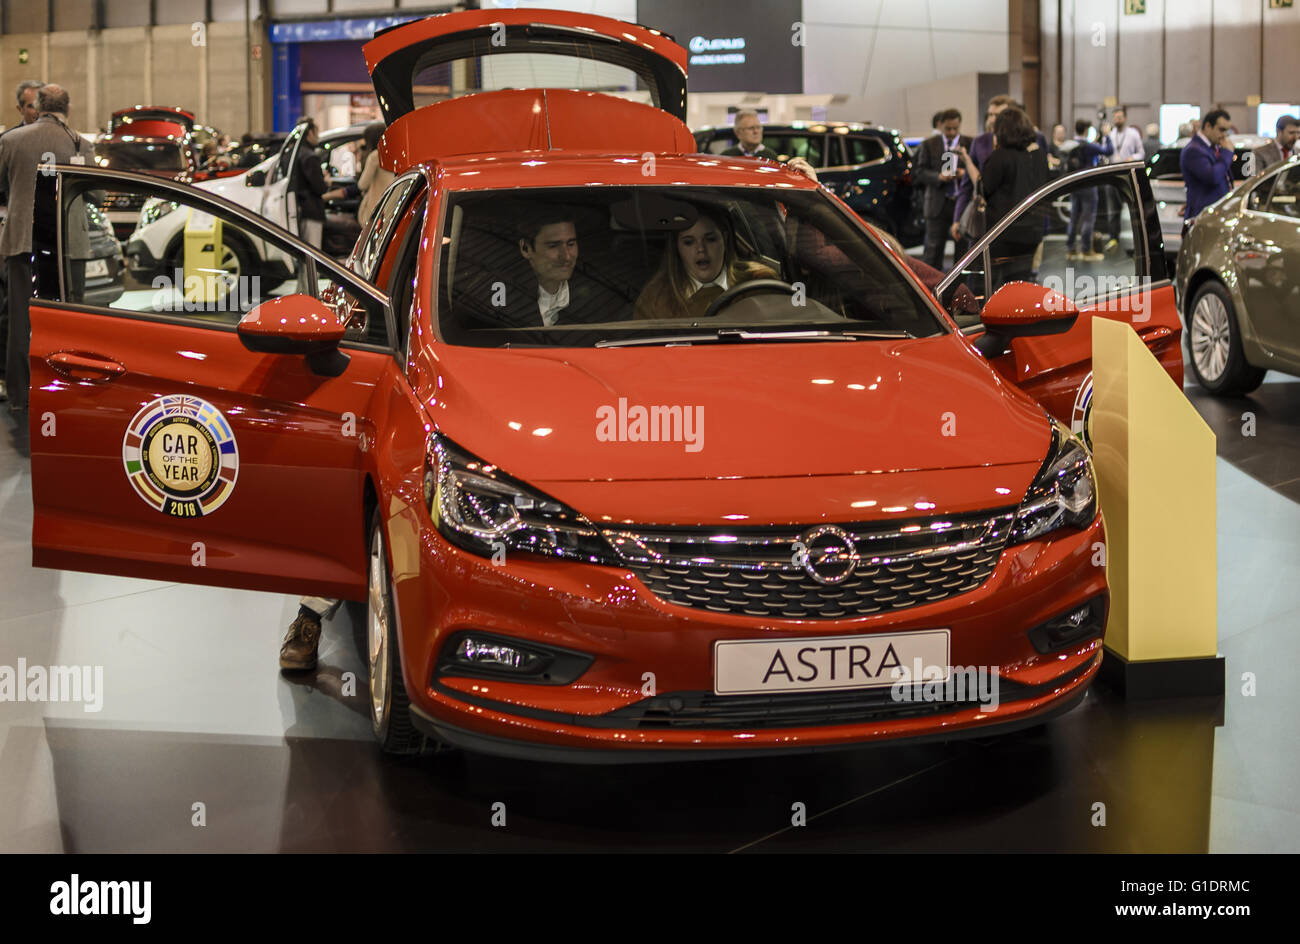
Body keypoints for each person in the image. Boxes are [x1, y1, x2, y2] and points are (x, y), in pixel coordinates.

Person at [0, 84, 93, 418]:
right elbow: (92, 195)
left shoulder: (11, 141)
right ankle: (66, 390)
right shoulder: (83, 144)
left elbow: (1, 187)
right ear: (68, 108)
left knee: (21, 325)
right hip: (69, 245)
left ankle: (20, 396)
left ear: (37, 106)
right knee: (71, 324)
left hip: (24, 243)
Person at [634, 206, 776, 320]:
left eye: (710, 239)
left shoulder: (760, 282)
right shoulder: (656, 298)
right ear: (677, 248)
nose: (701, 249)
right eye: (689, 242)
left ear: (724, 239)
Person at [0, 79, 43, 404]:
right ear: (20, 109)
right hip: (14, 240)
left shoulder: (56, 140)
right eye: (30, 105)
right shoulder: (9, 142)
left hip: (46, 244)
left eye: (40, 104)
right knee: (9, 311)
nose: (36, 111)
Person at [978, 106, 1049, 289]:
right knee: (1022, 284)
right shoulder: (1039, 155)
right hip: (1032, 230)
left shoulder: (1000, 157)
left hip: (1003, 231)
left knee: (995, 286)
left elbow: (984, 188)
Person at [914, 108, 973, 269]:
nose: (952, 132)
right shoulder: (929, 144)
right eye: (948, 129)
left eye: (955, 128)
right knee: (933, 252)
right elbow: (919, 172)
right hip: (937, 204)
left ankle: (959, 291)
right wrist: (939, 177)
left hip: (961, 205)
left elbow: (978, 170)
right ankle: (930, 292)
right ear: (940, 125)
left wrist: (964, 173)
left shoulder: (969, 143)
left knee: (963, 254)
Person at [1063, 119, 1113, 262]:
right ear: (1086, 130)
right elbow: (1109, 151)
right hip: (1089, 186)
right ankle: (1086, 250)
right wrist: (1107, 135)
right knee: (1088, 218)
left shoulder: (1071, 145)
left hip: (1074, 185)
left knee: (1074, 218)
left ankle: (1070, 249)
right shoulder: (1090, 147)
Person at [1181, 108, 1233, 231]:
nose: (1224, 135)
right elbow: (1212, 177)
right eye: (1221, 129)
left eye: (1227, 131)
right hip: (1202, 218)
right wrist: (1227, 153)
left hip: (1214, 216)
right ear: (1208, 126)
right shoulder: (1194, 150)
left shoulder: (1212, 147)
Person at [293, 117, 330, 249]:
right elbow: (319, 187)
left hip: (299, 209)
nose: (318, 137)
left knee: (303, 251)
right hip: (311, 209)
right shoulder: (310, 157)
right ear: (309, 133)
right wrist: (326, 182)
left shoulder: (295, 153)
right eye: (317, 133)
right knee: (313, 251)